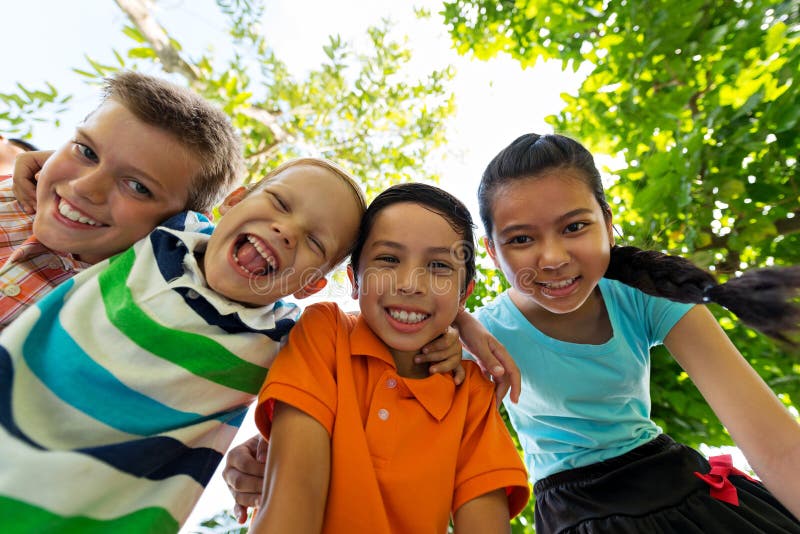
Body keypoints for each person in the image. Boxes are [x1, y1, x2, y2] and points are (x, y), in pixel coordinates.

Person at [0, 158, 366, 532]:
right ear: (234, 201)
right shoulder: (169, 227)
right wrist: (46, 163)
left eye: (315, 242)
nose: (287, 230)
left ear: (309, 285)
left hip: (88, 516)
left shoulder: (286, 338)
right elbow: (118, 173)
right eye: (280, 203)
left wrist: (265, 443)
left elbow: (368, 360)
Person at [473, 133, 800, 532]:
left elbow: (776, 442)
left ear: (608, 226)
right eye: (521, 239)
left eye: (575, 226)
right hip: (577, 514)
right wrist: (455, 322)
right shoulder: (482, 333)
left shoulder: (644, 293)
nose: (554, 259)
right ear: (492, 251)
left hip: (684, 492)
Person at [250, 183, 530, 533]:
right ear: (354, 280)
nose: (411, 284)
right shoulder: (326, 333)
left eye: (439, 266)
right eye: (388, 259)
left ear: (464, 295)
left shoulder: (471, 392)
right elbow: (292, 499)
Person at [0, 70, 243, 330]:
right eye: (87, 151)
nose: (84, 187)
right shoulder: (11, 194)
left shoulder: (140, 314)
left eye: (138, 187)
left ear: (183, 222)